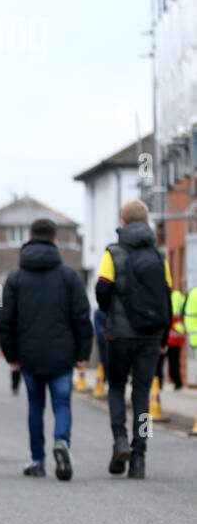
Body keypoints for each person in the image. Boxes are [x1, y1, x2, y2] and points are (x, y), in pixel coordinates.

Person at [0, 218, 92, 480]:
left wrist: (12, 355)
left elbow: (5, 319)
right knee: (62, 404)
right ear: (55, 241)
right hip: (62, 353)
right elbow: (82, 316)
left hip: (29, 355)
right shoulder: (69, 276)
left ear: (28, 238)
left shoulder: (16, 277)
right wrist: (83, 353)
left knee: (35, 406)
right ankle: (62, 442)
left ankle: (37, 460)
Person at [95, 199, 172, 479]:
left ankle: (120, 441)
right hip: (150, 336)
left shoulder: (113, 253)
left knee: (116, 388)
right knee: (141, 395)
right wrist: (163, 334)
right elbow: (166, 296)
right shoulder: (158, 255)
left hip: (119, 334)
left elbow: (102, 290)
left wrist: (110, 312)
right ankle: (139, 459)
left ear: (123, 222)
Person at [159, 285, 185, 392]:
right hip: (170, 335)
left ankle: (174, 382)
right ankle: (161, 382)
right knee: (165, 362)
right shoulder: (177, 296)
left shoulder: (176, 296)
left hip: (173, 335)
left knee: (170, 362)